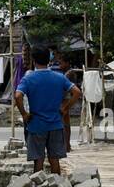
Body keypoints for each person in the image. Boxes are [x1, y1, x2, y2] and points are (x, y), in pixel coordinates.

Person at [15, 46, 81, 175]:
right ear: (49, 61)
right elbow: (77, 92)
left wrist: (24, 114)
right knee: (54, 160)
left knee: (38, 160)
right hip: (56, 124)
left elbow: (17, 96)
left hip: (36, 125)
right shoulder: (59, 77)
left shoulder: (28, 78)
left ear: (34, 61)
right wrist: (65, 108)